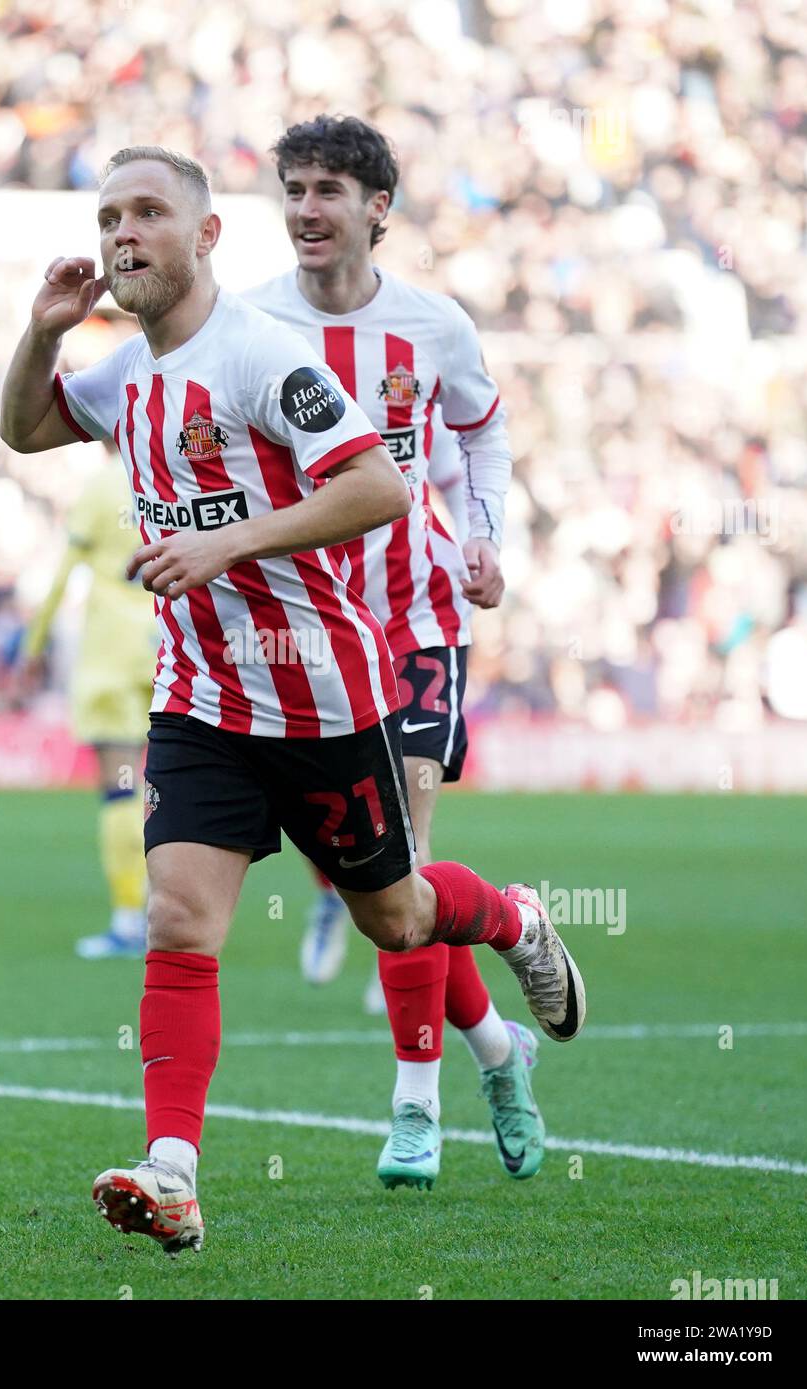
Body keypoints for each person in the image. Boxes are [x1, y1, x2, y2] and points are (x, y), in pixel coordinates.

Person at [0, 145, 585, 1256]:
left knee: (397, 916)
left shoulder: (266, 358)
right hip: (202, 702)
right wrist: (42, 331)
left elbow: (378, 483)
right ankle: (173, 1168)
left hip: (321, 697)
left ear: (208, 236)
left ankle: (511, 918)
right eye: (112, 214)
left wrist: (226, 543)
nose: (125, 234)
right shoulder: (126, 374)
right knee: (179, 919)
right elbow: (24, 429)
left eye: (150, 214)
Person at [244, 115, 545, 1188]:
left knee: (405, 864)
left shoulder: (435, 327)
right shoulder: (251, 325)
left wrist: (484, 538)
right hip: (312, 634)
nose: (305, 210)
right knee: (379, 889)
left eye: (327, 190)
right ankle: (501, 1038)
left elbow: (483, 429)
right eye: (293, 189)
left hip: (417, 616)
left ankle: (413, 1112)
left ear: (378, 207)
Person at [21, 465, 157, 958]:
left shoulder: (101, 484)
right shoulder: (169, 469)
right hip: (171, 645)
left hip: (112, 654)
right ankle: (176, 913)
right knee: (169, 787)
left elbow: (63, 574)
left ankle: (128, 919)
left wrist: (32, 647)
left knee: (121, 788)